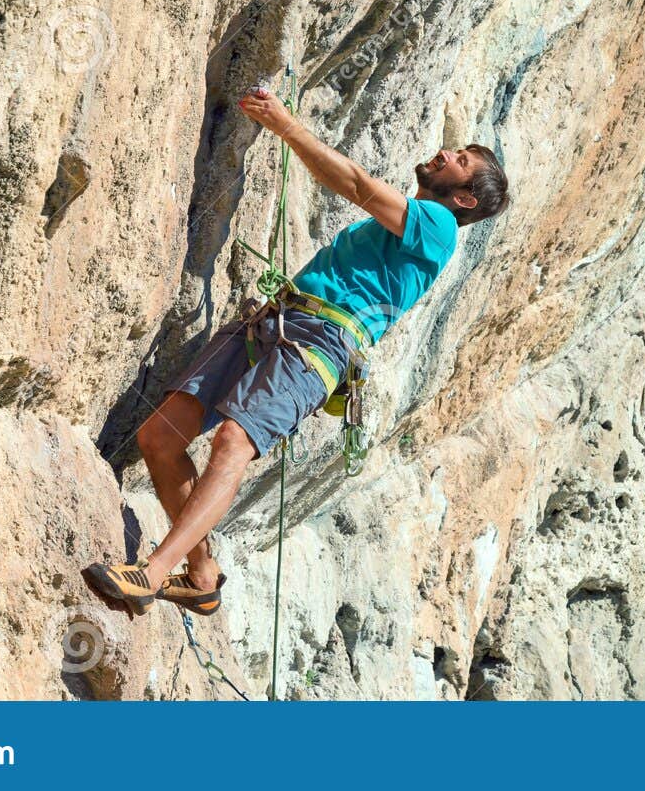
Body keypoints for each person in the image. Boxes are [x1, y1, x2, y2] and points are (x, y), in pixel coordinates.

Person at [84, 86, 510, 614]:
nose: (446, 153)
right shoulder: (407, 225)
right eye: (456, 150)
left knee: (234, 441)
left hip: (321, 345)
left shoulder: (439, 225)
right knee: (159, 436)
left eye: (460, 161)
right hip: (278, 320)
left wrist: (286, 126)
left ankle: (150, 574)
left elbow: (356, 184)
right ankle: (201, 574)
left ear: (464, 199)